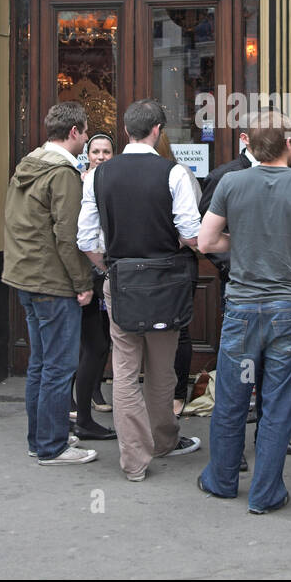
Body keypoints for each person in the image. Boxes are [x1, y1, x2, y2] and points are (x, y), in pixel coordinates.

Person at [196, 111, 291, 513]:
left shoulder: (231, 183)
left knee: (232, 400)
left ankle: (220, 480)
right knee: (278, 404)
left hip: (241, 308)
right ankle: (265, 493)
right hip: (288, 309)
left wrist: (243, 243)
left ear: (248, 145)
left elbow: (206, 241)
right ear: (289, 145)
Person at [78, 99, 202, 482]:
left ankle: (134, 460)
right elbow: (193, 235)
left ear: (126, 132)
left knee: (126, 371)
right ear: (157, 131)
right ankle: (165, 439)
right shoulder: (174, 173)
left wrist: (108, 267)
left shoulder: (98, 175)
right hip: (165, 283)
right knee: (162, 370)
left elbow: (85, 238)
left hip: (122, 282)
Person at [3, 102, 98, 466]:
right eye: (86, 132)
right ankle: (53, 446)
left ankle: (39, 438)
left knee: (41, 364)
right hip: (53, 282)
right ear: (74, 132)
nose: (87, 138)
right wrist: (82, 282)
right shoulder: (62, 174)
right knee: (58, 366)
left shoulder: (28, 165)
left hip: (25, 277)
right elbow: (67, 234)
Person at [72, 133, 116, 441]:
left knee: (101, 342)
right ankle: (77, 410)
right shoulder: (76, 181)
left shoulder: (113, 181)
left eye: (106, 151)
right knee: (91, 343)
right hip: (85, 272)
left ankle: (93, 394)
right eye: (95, 151)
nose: (100, 156)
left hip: (107, 271)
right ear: (88, 154)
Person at [156, 131, 200, 417]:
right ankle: (173, 394)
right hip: (175, 259)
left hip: (162, 260)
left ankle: (171, 394)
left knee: (170, 330)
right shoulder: (180, 173)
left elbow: (192, 227)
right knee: (177, 330)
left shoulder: (179, 173)